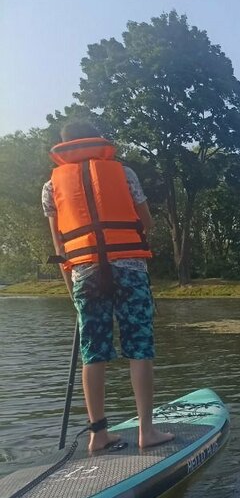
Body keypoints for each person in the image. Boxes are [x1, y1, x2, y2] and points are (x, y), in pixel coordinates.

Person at [43, 120, 174, 453]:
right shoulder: (124, 173)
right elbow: (146, 222)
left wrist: (71, 290)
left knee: (93, 352)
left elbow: (60, 247)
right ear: (97, 141)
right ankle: (147, 431)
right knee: (140, 346)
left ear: (64, 147)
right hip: (129, 266)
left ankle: (97, 435)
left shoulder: (50, 186)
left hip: (84, 273)